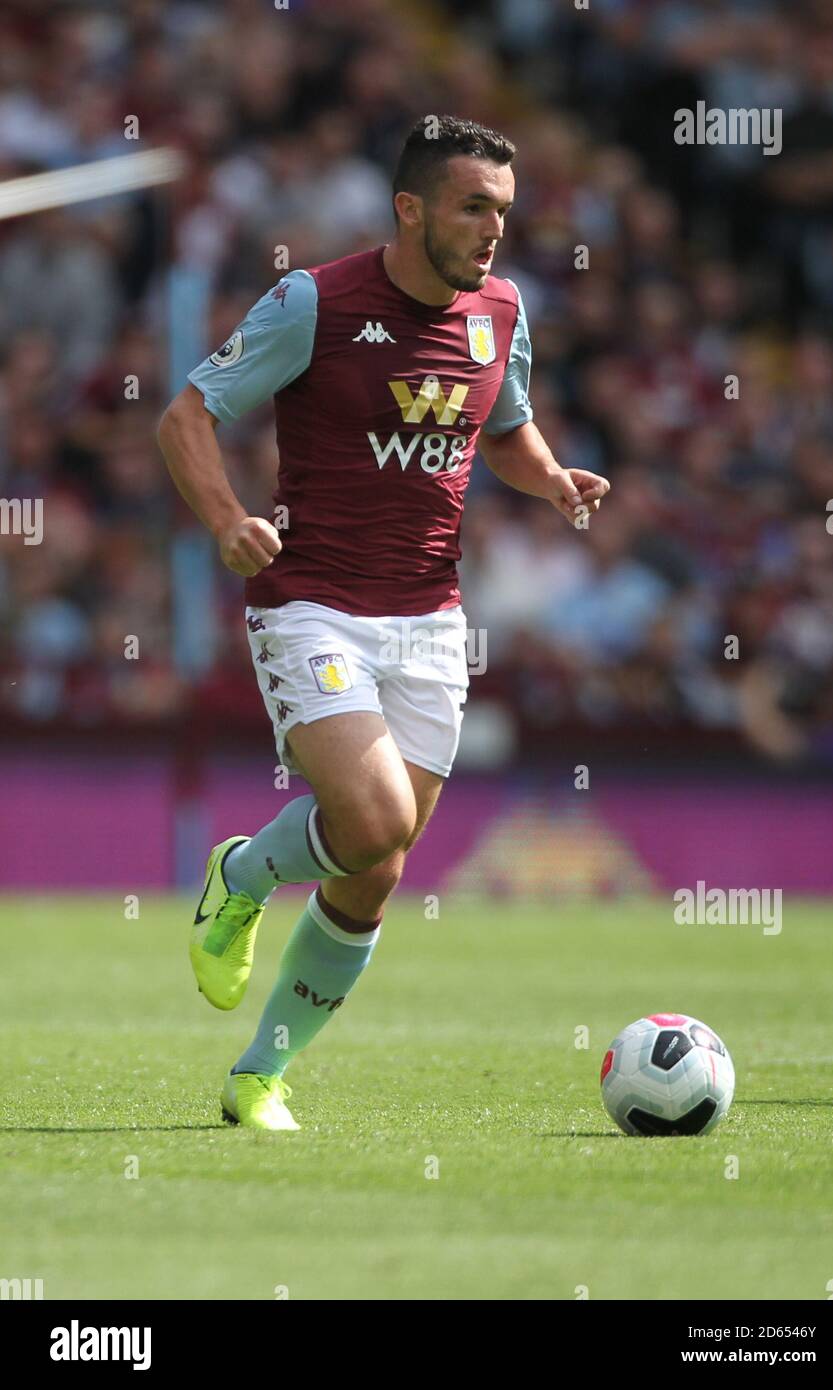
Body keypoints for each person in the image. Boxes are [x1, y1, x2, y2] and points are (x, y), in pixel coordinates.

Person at [157, 115, 610, 1130]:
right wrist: (229, 520)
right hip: (311, 603)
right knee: (370, 824)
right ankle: (239, 875)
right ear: (409, 209)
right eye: (469, 206)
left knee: (376, 870)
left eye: (501, 209)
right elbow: (185, 413)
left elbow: (503, 427)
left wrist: (548, 481)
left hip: (431, 621)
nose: (491, 229)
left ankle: (259, 1074)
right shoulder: (312, 301)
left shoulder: (500, 310)